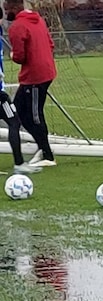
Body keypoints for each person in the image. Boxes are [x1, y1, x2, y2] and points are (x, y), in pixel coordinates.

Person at [4, 0, 56, 173]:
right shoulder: (38, 19)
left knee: (34, 115)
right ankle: (40, 148)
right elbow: (51, 44)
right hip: (46, 72)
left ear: (14, 8)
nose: (5, 13)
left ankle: (48, 155)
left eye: (6, 8)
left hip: (34, 77)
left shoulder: (17, 26)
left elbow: (19, 56)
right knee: (17, 114)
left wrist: (12, 55)